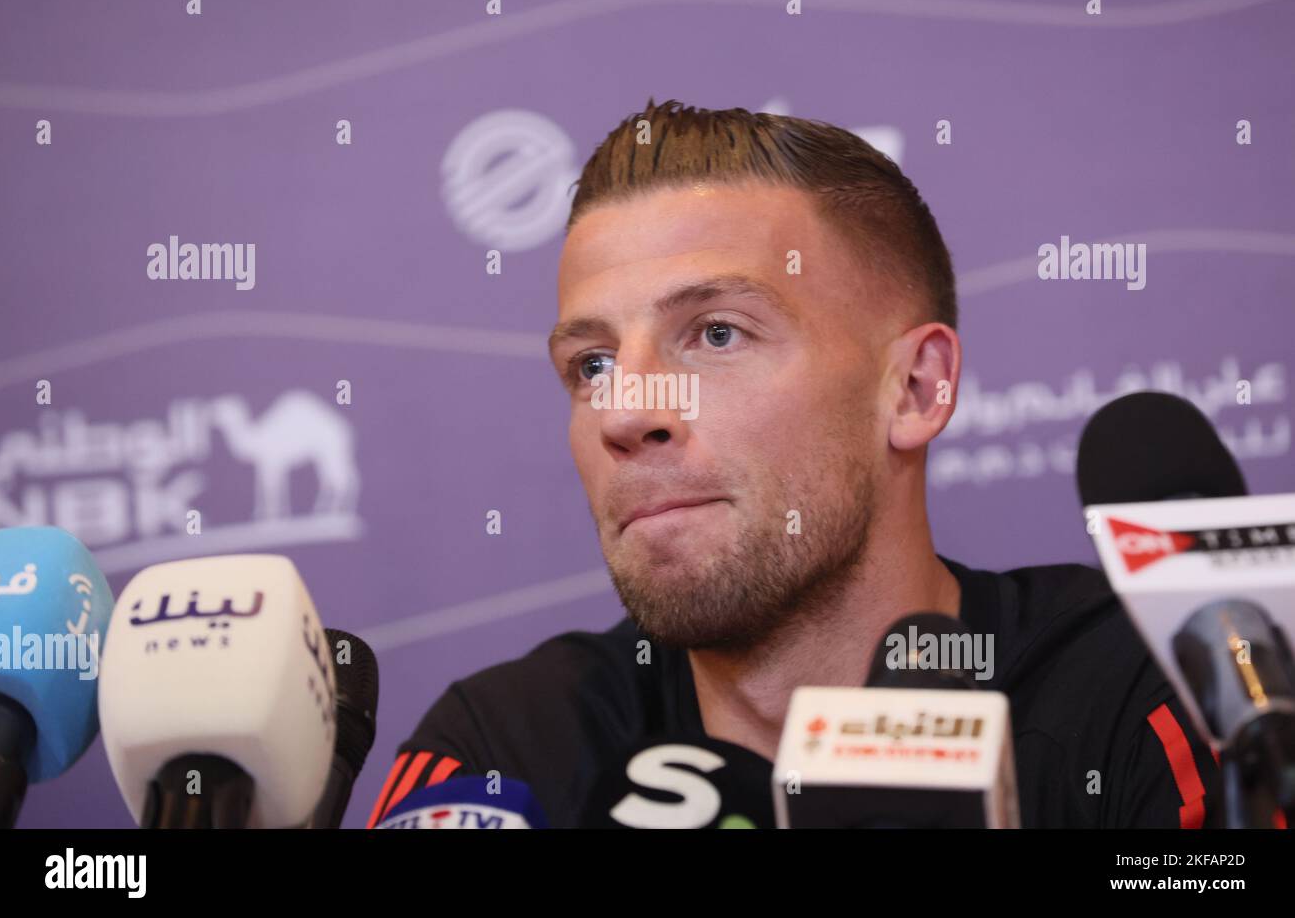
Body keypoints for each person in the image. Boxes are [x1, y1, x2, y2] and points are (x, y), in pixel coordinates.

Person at [368, 98, 1218, 828]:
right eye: (591, 365)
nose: (623, 413)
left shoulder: (1146, 690)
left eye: (716, 334)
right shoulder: (504, 754)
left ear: (916, 389)